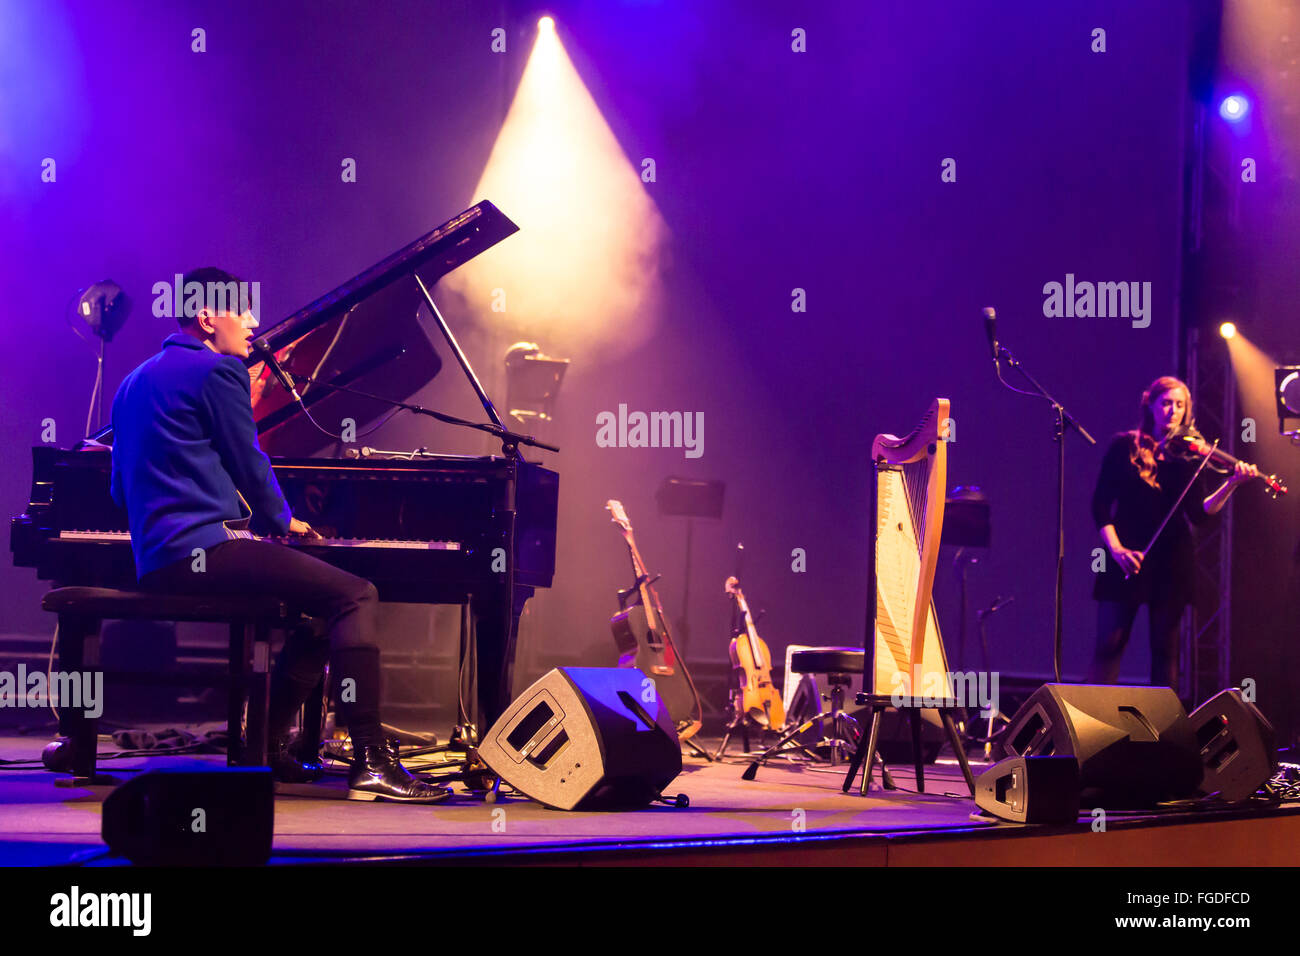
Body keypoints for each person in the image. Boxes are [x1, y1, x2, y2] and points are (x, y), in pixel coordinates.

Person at [110, 267, 448, 802]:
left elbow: (118, 491)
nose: (252, 324)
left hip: (156, 559)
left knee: (318, 614)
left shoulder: (132, 383)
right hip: (206, 550)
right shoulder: (218, 372)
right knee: (356, 594)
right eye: (240, 312)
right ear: (206, 318)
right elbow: (250, 461)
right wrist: (280, 520)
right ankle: (370, 761)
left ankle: (266, 745)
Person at [1087, 375, 1259, 688]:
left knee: (1165, 653)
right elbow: (1100, 505)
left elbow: (1199, 514)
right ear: (1150, 405)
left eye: (1180, 405)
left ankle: (1162, 735)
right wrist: (1117, 550)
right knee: (1108, 647)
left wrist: (1232, 484)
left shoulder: (1191, 456)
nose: (1173, 411)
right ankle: (1089, 727)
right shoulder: (1124, 446)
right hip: (1125, 555)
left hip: (1172, 562)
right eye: (1166, 403)